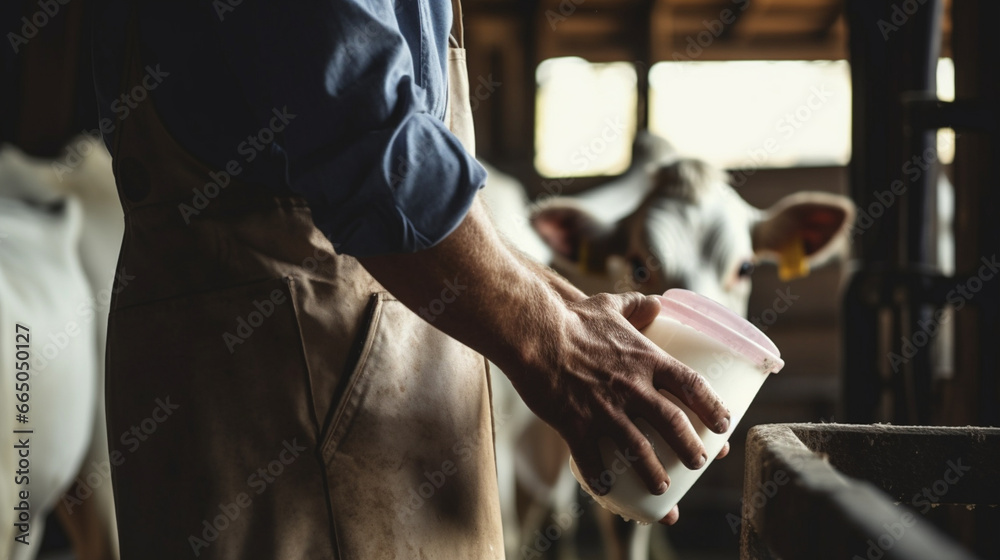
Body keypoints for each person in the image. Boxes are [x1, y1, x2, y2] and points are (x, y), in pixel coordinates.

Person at [91, 1, 731, 558]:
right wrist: (558, 344)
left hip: (368, 423)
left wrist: (571, 312)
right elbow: (374, 148)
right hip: (287, 413)